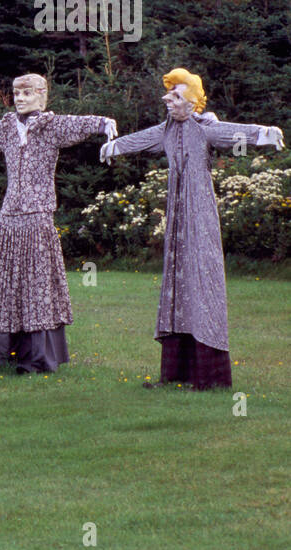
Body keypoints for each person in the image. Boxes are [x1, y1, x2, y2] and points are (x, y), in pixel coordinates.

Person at [100, 68, 284, 390]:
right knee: (177, 280)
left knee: (202, 277)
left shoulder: (205, 128)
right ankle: (175, 373)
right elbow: (142, 138)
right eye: (169, 94)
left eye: (175, 95)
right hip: (176, 216)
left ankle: (208, 377)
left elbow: (231, 132)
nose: (167, 100)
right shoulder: (167, 130)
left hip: (199, 214)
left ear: (193, 101)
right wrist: (115, 147)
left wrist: (263, 133)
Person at [0, 75, 117, 374]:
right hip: (10, 217)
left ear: (42, 95)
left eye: (27, 93)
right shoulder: (6, 129)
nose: (20, 98)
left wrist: (103, 124)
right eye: (16, 93)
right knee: (8, 286)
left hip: (38, 215)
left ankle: (39, 358)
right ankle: (8, 355)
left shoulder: (51, 127)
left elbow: (79, 124)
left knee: (37, 285)